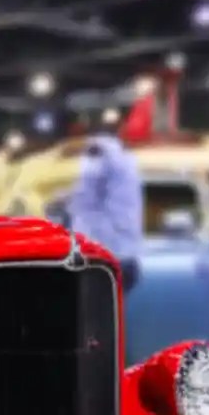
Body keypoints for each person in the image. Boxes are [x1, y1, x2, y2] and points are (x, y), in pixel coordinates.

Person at [65, 123, 144, 293]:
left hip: (101, 256)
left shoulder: (99, 156)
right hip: (126, 255)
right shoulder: (129, 160)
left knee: (92, 316)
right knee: (111, 315)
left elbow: (82, 195)